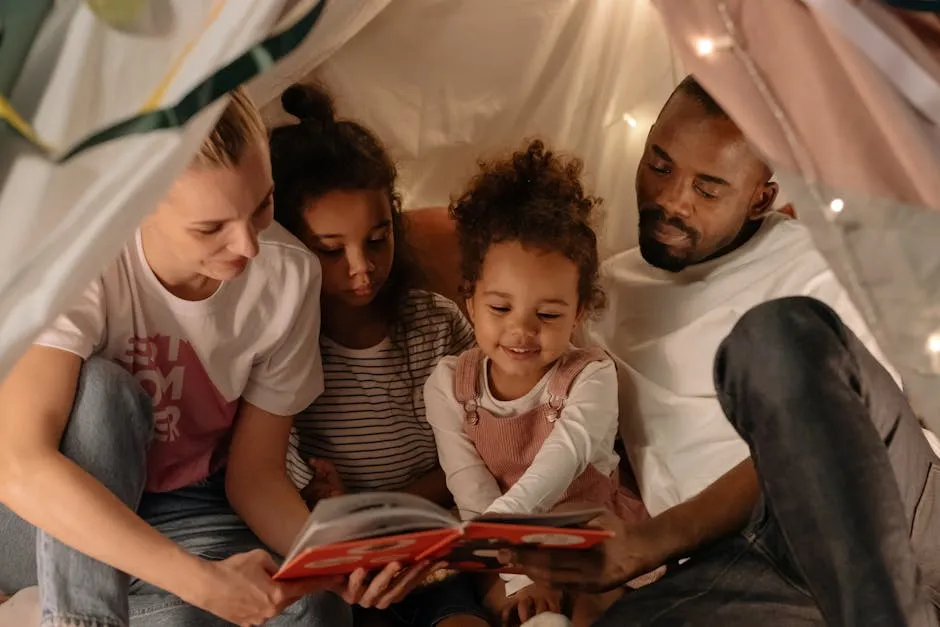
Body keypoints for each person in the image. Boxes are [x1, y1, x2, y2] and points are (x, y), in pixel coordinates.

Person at [502, 76, 940, 626]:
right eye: (659, 166)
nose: (669, 200)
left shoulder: (817, 261)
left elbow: (848, 436)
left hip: (900, 521)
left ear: (762, 197)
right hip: (749, 563)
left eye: (707, 189)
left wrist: (649, 542)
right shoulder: (593, 297)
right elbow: (509, 406)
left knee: (773, 338)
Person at [0, 87, 401, 627]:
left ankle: (67, 608)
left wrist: (339, 563)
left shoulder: (288, 276)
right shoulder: (82, 260)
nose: (248, 246)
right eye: (211, 228)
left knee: (314, 608)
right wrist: (198, 583)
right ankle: (81, 614)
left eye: (262, 206)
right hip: (43, 514)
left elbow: (255, 477)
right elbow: (19, 465)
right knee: (102, 391)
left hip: (190, 506)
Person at [268, 83, 491, 627]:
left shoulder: (436, 323)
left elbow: (482, 456)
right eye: (330, 250)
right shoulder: (286, 351)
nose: (361, 267)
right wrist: (353, 517)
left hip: (438, 549)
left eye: (377, 239)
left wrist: (384, 507)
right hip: (352, 569)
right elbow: (303, 497)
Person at [424, 140, 656, 627]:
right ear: (470, 301)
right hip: (499, 547)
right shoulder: (449, 384)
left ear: (579, 312)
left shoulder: (590, 376)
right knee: (517, 611)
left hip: (586, 536)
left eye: (547, 314)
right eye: (500, 308)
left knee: (601, 607)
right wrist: (516, 573)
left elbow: (562, 458)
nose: (521, 331)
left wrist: (503, 527)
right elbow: (469, 488)